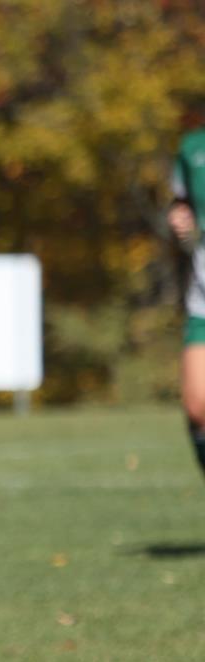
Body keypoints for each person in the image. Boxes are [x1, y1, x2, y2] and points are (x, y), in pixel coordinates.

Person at [168, 126, 205, 480]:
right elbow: (182, 205)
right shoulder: (193, 146)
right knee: (197, 406)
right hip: (203, 298)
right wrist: (180, 219)